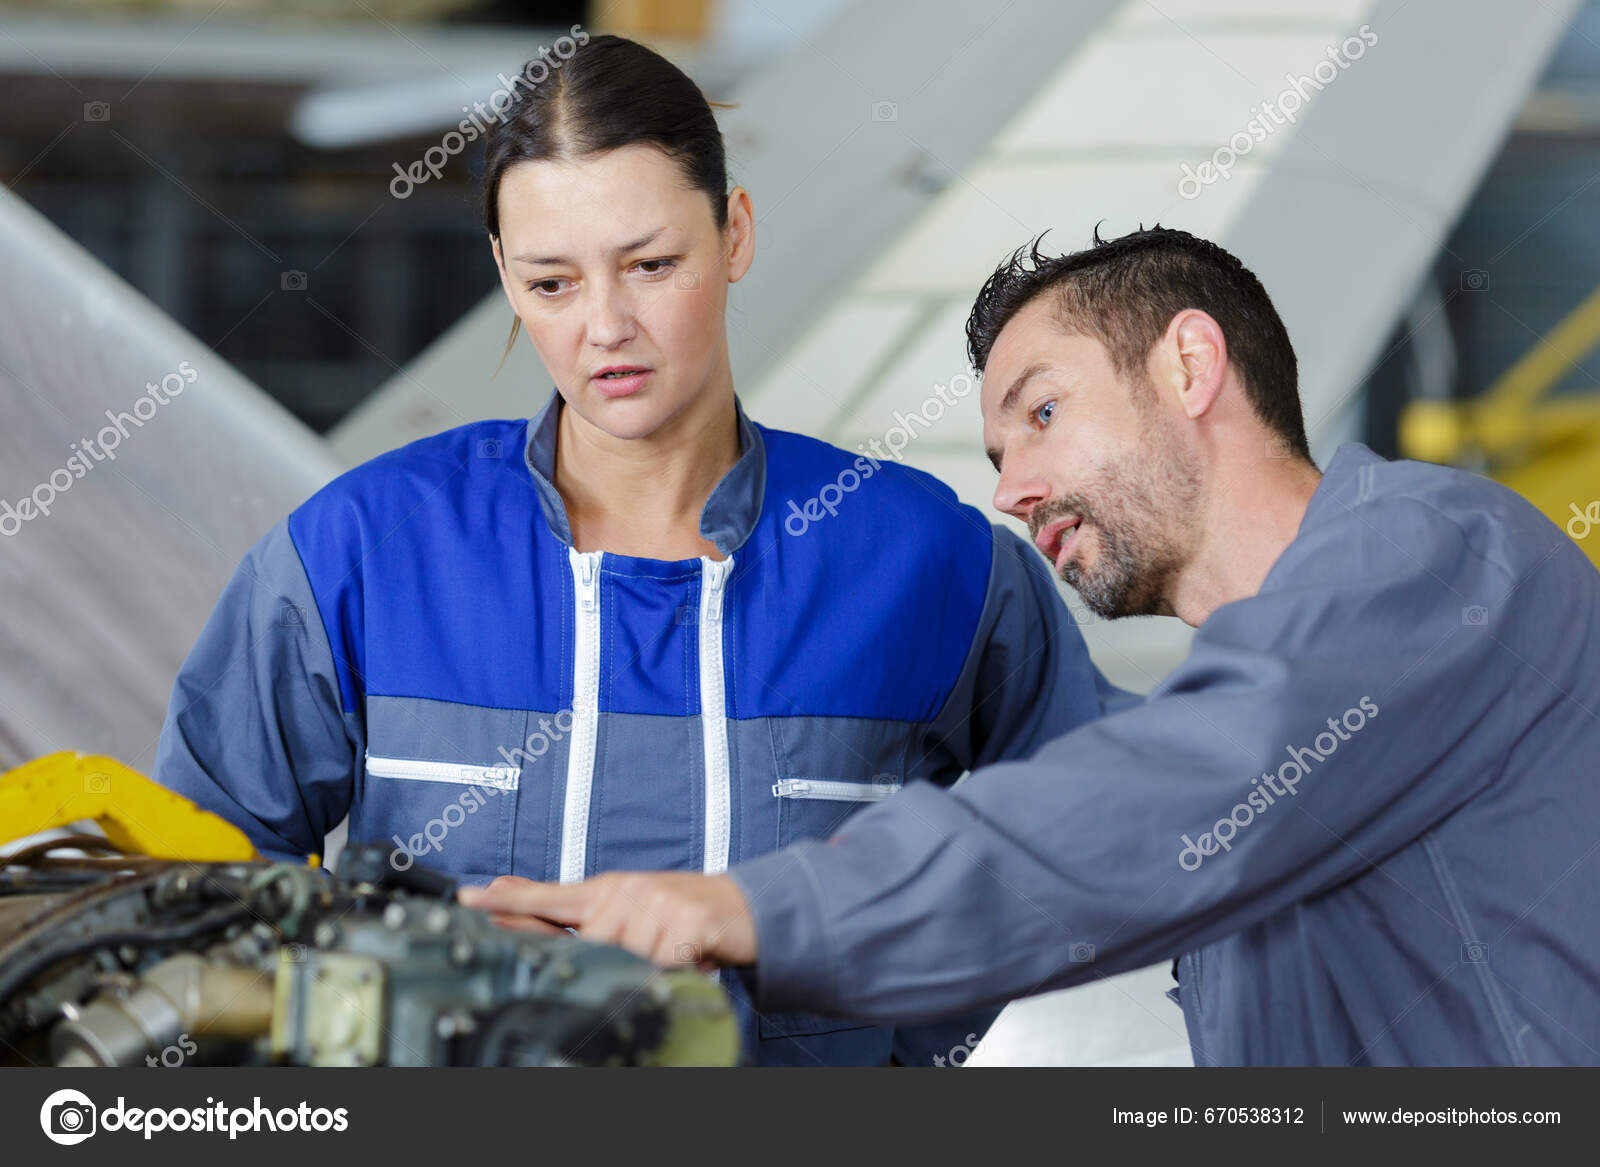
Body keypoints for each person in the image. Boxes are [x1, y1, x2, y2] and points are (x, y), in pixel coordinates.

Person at [152, 36, 1126, 1067]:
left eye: (651, 265)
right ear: (502, 275)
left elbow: (1111, 836)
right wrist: (401, 965)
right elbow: (190, 902)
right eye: (552, 283)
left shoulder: (925, 563)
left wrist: (908, 1040)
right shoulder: (360, 552)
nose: (606, 326)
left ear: (734, 231)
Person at [463, 227, 1600, 1066]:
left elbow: (1148, 810)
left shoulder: (1438, 556)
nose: (1011, 490)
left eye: (1041, 413)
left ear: (1189, 367)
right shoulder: (1257, 707)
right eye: (1000, 450)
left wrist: (750, 907)